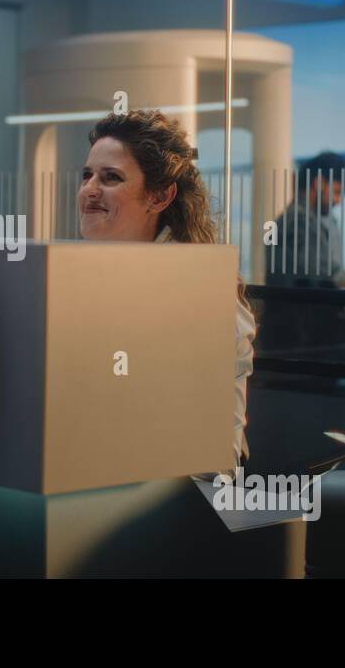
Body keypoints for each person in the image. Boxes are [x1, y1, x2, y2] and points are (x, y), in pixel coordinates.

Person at [76, 110, 255, 467]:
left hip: (175, 492)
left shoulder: (196, 294)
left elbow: (200, 446)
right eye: (87, 175)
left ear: (159, 197)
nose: (89, 190)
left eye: (110, 178)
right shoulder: (85, 276)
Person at [266, 151, 345, 290]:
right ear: (319, 183)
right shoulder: (299, 222)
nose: (338, 201)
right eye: (336, 192)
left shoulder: (294, 219)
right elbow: (324, 271)